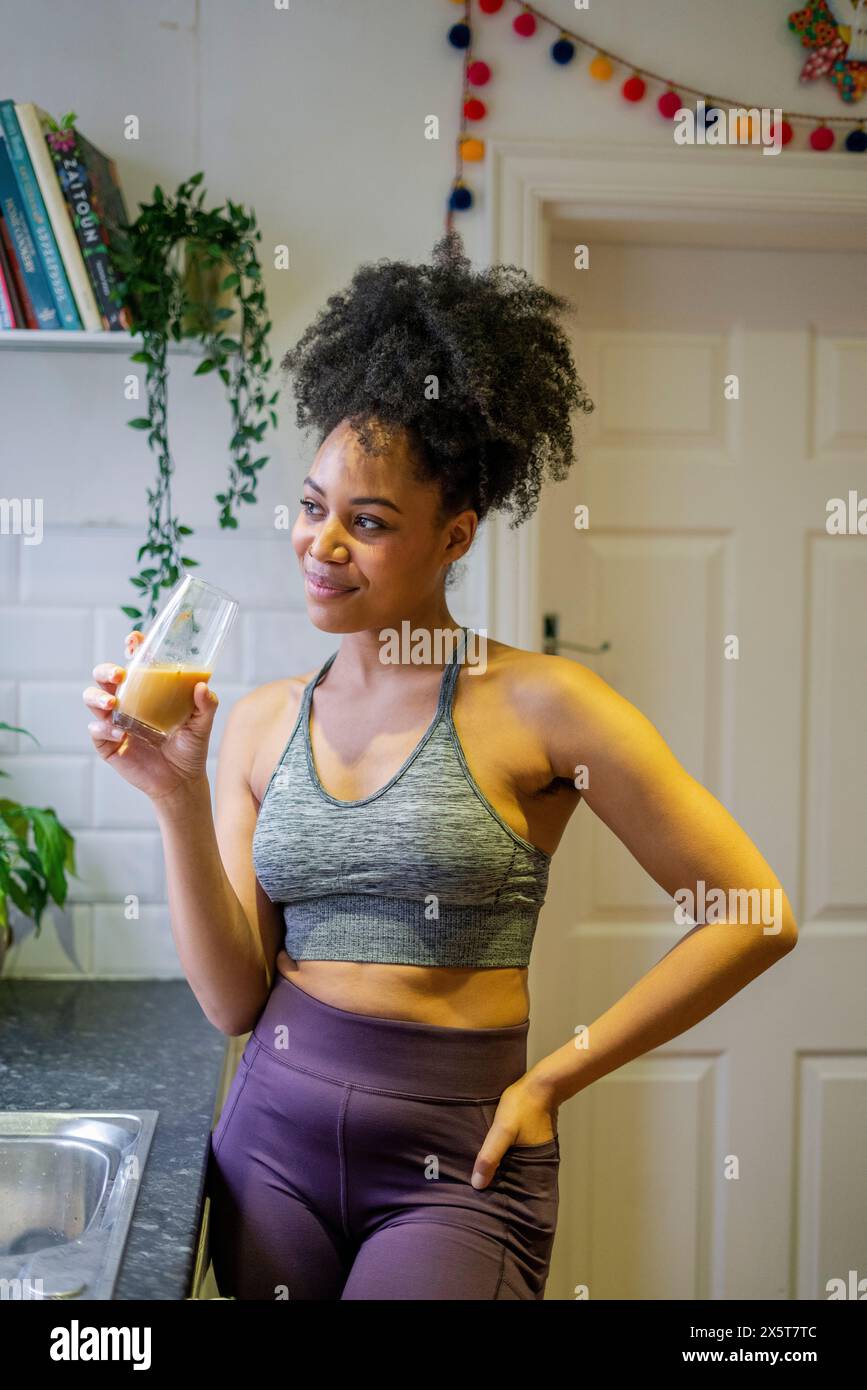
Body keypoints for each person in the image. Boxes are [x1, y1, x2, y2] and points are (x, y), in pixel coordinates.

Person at [83, 230, 798, 1300]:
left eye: (368, 523)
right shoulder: (261, 720)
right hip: (268, 1143)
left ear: (455, 535)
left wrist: (556, 1074)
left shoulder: (545, 704)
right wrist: (176, 796)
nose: (325, 544)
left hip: (455, 1169)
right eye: (315, 506)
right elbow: (234, 1000)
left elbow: (753, 911)